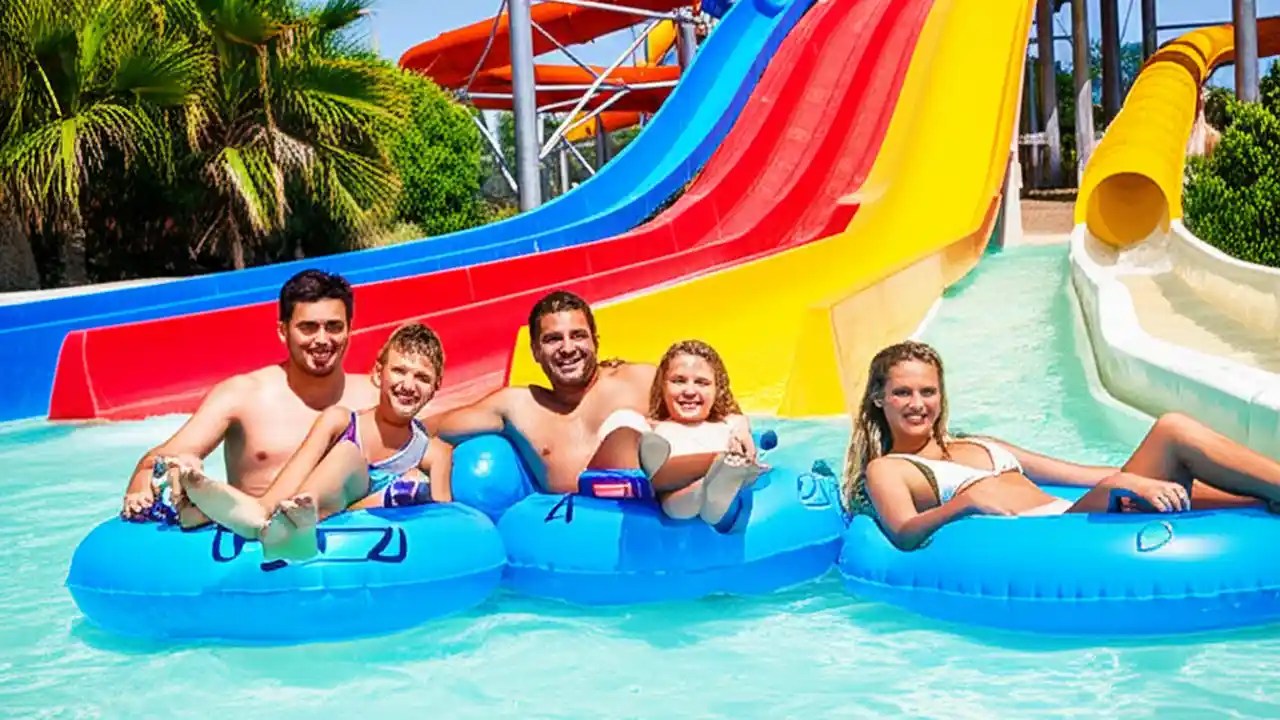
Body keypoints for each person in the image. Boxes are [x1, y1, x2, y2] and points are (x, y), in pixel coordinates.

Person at [841, 340, 1280, 551]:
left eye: (927, 392)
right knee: (1174, 430)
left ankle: (1268, 493)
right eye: (903, 393)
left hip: (1070, 509)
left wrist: (1130, 479)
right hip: (1054, 535)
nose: (918, 405)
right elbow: (903, 533)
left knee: (1172, 430)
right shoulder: (890, 468)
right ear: (879, 398)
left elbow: (1079, 475)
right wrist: (967, 502)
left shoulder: (980, 444)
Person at [428, 290, 758, 505]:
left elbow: (704, 396)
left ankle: (716, 466)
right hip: (583, 540)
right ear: (535, 351)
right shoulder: (517, 406)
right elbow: (434, 427)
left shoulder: (638, 380)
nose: (568, 348)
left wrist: (738, 424)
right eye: (553, 339)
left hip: (658, 514)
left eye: (578, 336)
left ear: (595, 342)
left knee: (626, 428)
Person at [168, 322, 453, 560]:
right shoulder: (340, 421)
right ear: (378, 373)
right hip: (310, 500)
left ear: (436, 387)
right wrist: (268, 506)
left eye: (422, 378)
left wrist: (385, 498)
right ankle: (279, 520)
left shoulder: (433, 452)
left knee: (410, 483)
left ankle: (283, 523)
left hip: (331, 512)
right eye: (399, 371)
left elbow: (447, 524)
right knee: (347, 455)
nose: (408, 385)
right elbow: (291, 477)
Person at [119, 269, 378, 527]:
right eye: (308, 328)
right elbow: (158, 460)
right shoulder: (242, 396)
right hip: (256, 545)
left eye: (334, 327)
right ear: (282, 331)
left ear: (349, 329)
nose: (322, 340)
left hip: (353, 541)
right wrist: (144, 485)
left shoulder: (374, 395)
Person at [635, 340, 765, 532]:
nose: (689, 391)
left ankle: (721, 486)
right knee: (679, 497)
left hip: (724, 491)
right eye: (678, 381)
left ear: (717, 390)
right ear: (662, 386)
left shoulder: (728, 424)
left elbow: (742, 433)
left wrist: (741, 427)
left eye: (702, 383)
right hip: (675, 496)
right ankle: (712, 488)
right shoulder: (653, 427)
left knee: (731, 472)